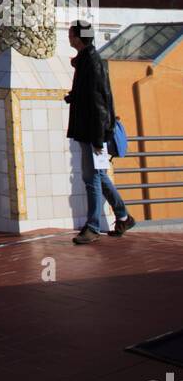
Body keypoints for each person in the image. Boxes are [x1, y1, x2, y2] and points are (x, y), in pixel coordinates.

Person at [65, 21, 135, 244]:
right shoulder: (87, 61)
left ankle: (93, 227)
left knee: (91, 178)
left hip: (94, 133)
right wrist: (73, 97)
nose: (68, 37)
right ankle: (123, 216)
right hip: (93, 131)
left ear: (77, 38)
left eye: (71, 34)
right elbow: (91, 97)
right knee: (100, 176)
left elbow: (100, 103)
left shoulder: (92, 63)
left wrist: (97, 139)